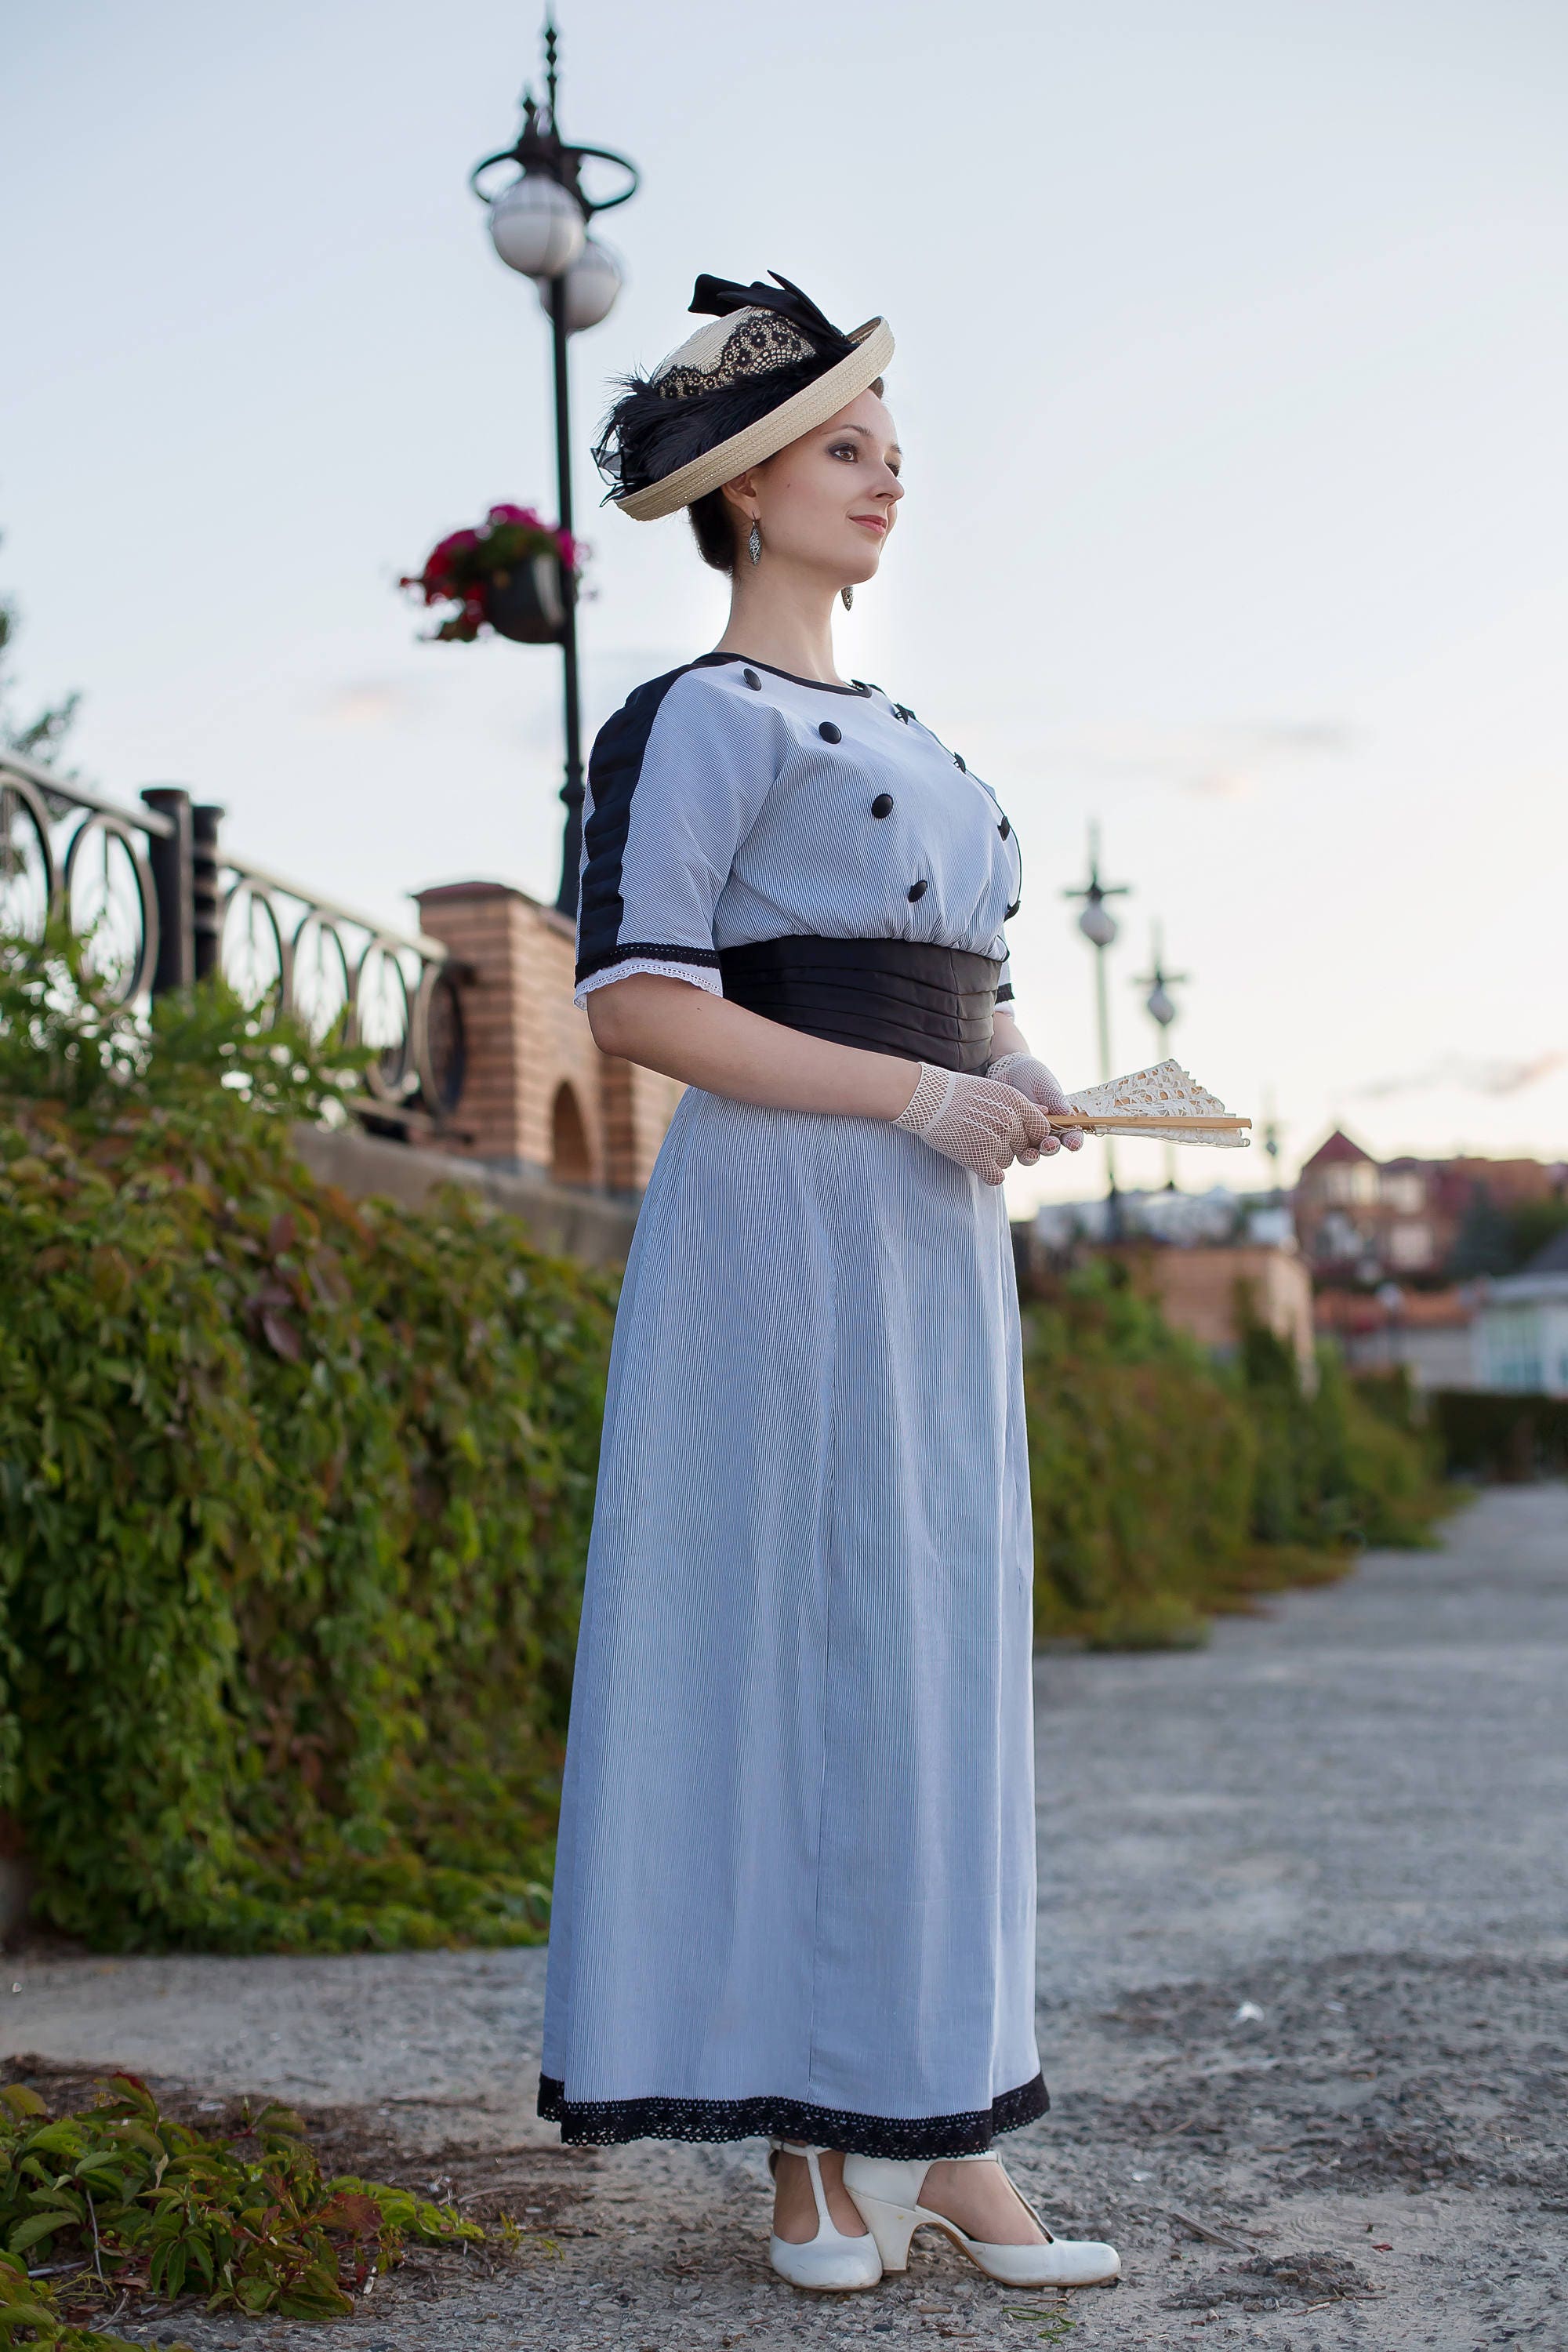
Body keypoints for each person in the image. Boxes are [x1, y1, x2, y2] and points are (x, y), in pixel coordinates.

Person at [538, 271, 1120, 2296]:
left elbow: (981, 983)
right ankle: (807, 2153)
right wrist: (915, 1098)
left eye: (892, 448)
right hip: (785, 1228)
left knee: (942, 1651)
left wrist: (1023, 1080)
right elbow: (636, 1004)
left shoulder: (919, 741)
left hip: (933, 1242)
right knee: (800, 1643)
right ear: (743, 491)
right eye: (846, 447)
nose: (888, 478)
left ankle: (946, 2127)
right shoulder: (693, 721)